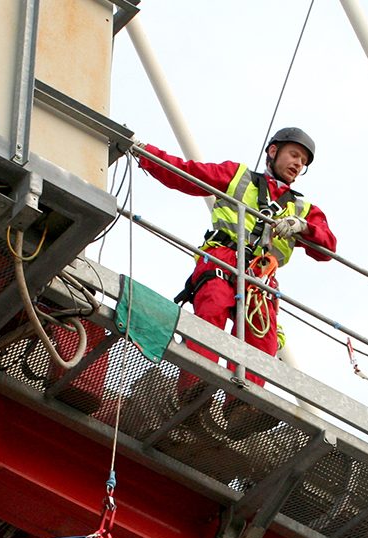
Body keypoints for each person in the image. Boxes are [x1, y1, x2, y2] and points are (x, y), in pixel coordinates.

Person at [137, 127, 337, 437]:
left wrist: (304, 227)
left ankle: (243, 406)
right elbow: (187, 173)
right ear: (273, 151)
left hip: (261, 275)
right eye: (294, 155)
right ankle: (195, 389)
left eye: (304, 162)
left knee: (262, 339)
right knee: (212, 311)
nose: (298, 164)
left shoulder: (303, 209)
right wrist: (144, 153)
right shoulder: (238, 177)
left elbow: (327, 248)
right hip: (223, 257)